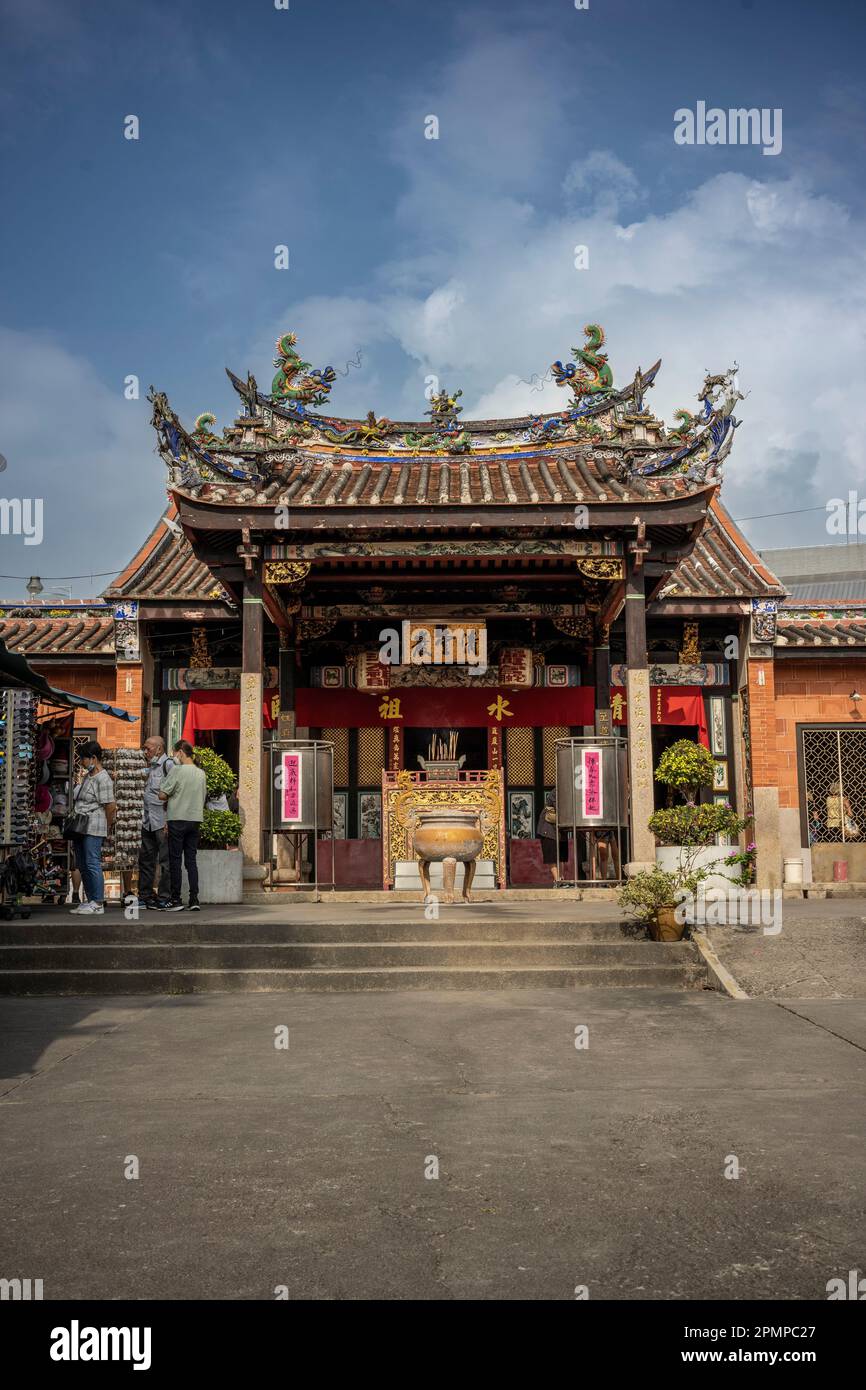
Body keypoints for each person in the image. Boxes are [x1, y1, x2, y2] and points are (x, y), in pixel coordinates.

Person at [158, 740, 207, 912]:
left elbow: (162, 795)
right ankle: (194, 899)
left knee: (175, 860)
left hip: (177, 818)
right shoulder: (201, 773)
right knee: (191, 860)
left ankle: (176, 899)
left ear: (180, 752)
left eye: (174, 753)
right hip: (195, 819)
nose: (174, 757)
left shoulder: (176, 770)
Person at [69, 741, 116, 915]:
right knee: (82, 863)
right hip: (81, 827)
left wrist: (108, 826)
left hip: (94, 827)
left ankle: (97, 901)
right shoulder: (89, 777)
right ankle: (90, 900)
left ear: (93, 758)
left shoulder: (103, 778)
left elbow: (110, 806)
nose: (81, 762)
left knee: (92, 863)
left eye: (84, 758)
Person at [137, 735, 175, 909]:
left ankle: (164, 896)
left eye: (148, 748)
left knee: (165, 861)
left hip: (162, 821)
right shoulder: (150, 767)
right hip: (148, 821)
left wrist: (169, 820)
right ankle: (145, 896)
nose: (145, 751)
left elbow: (175, 794)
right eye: (144, 748)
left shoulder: (169, 765)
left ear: (159, 749)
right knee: (145, 859)